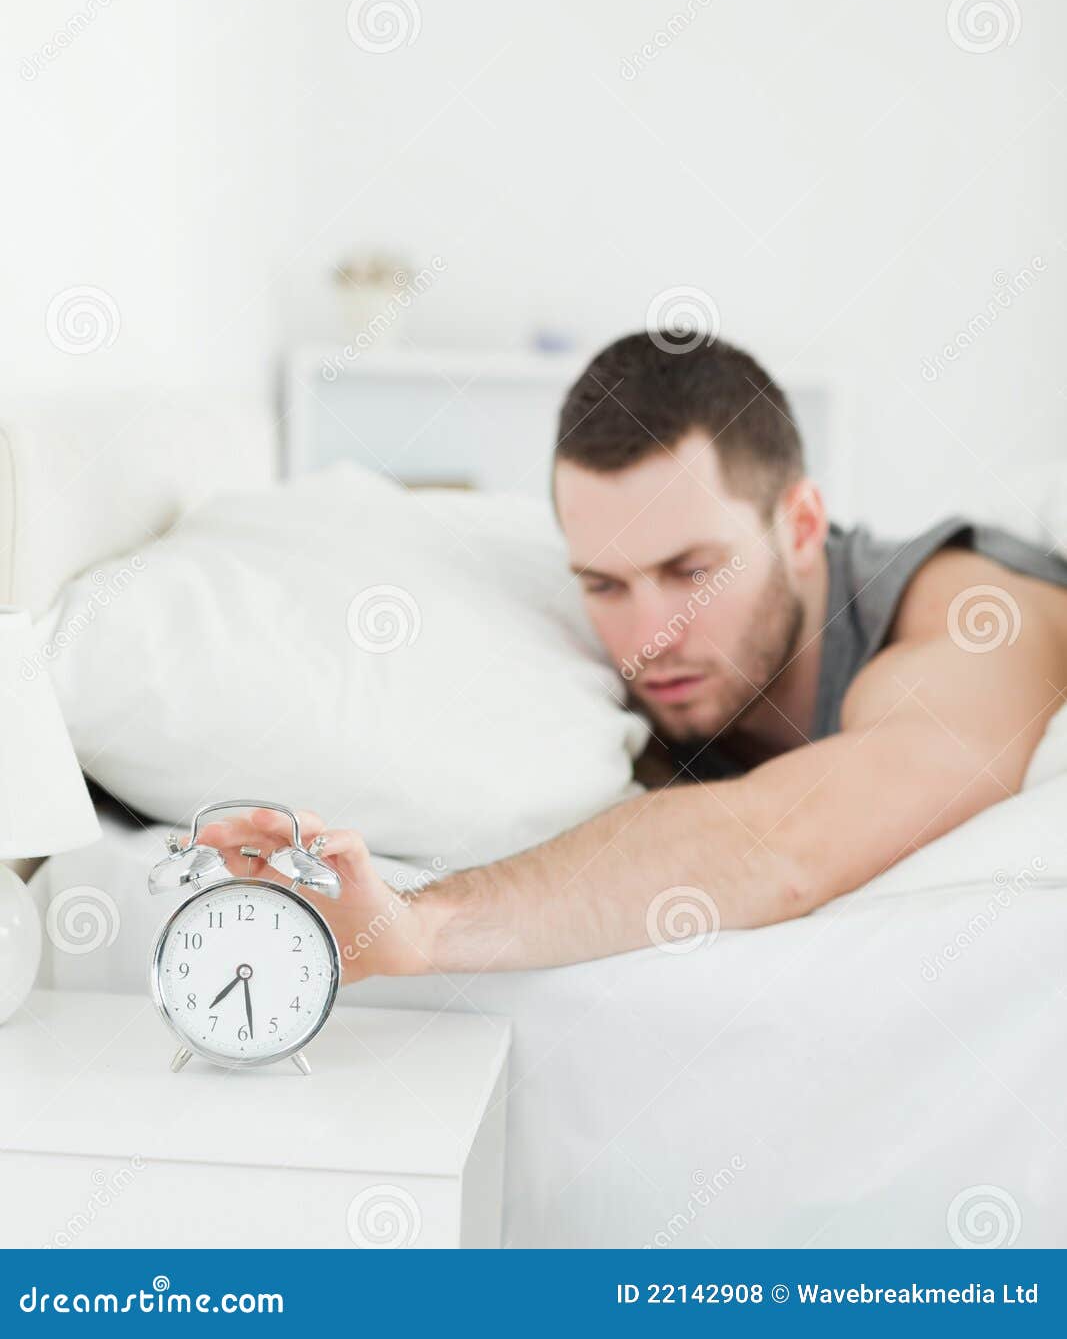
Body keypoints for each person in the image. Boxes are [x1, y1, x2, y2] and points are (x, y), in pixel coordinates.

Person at [197, 331, 1067, 979]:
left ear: (801, 526)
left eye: (689, 570)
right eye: (604, 584)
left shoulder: (971, 614)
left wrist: (424, 925)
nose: (647, 636)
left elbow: (787, 841)